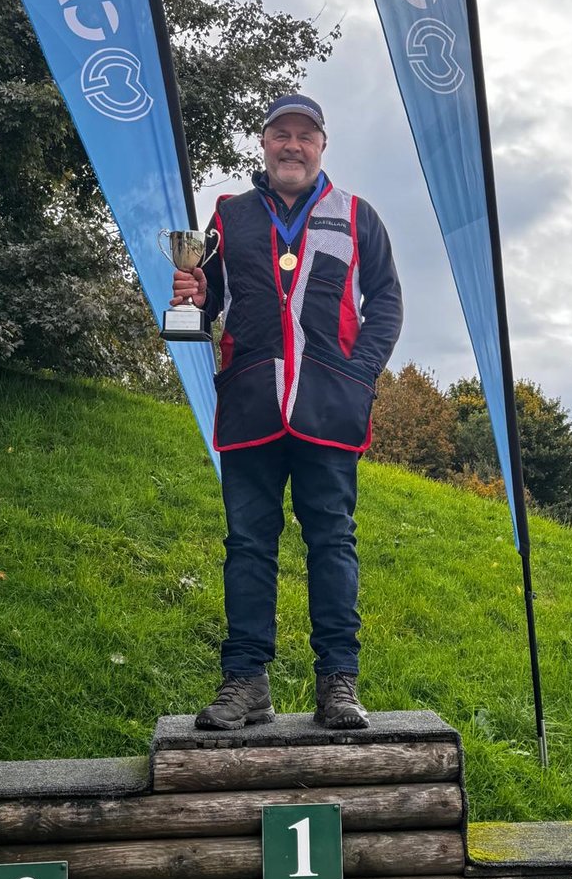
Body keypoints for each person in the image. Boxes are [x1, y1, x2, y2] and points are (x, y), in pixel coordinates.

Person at [170, 93, 402, 731]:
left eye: (305, 135)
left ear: (322, 145)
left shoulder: (357, 216)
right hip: (250, 403)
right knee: (248, 544)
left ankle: (338, 682)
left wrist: (360, 375)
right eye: (281, 135)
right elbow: (208, 299)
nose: (292, 146)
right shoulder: (229, 216)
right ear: (264, 143)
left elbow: (384, 300)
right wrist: (192, 292)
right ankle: (246, 682)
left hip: (330, 407)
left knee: (333, 541)